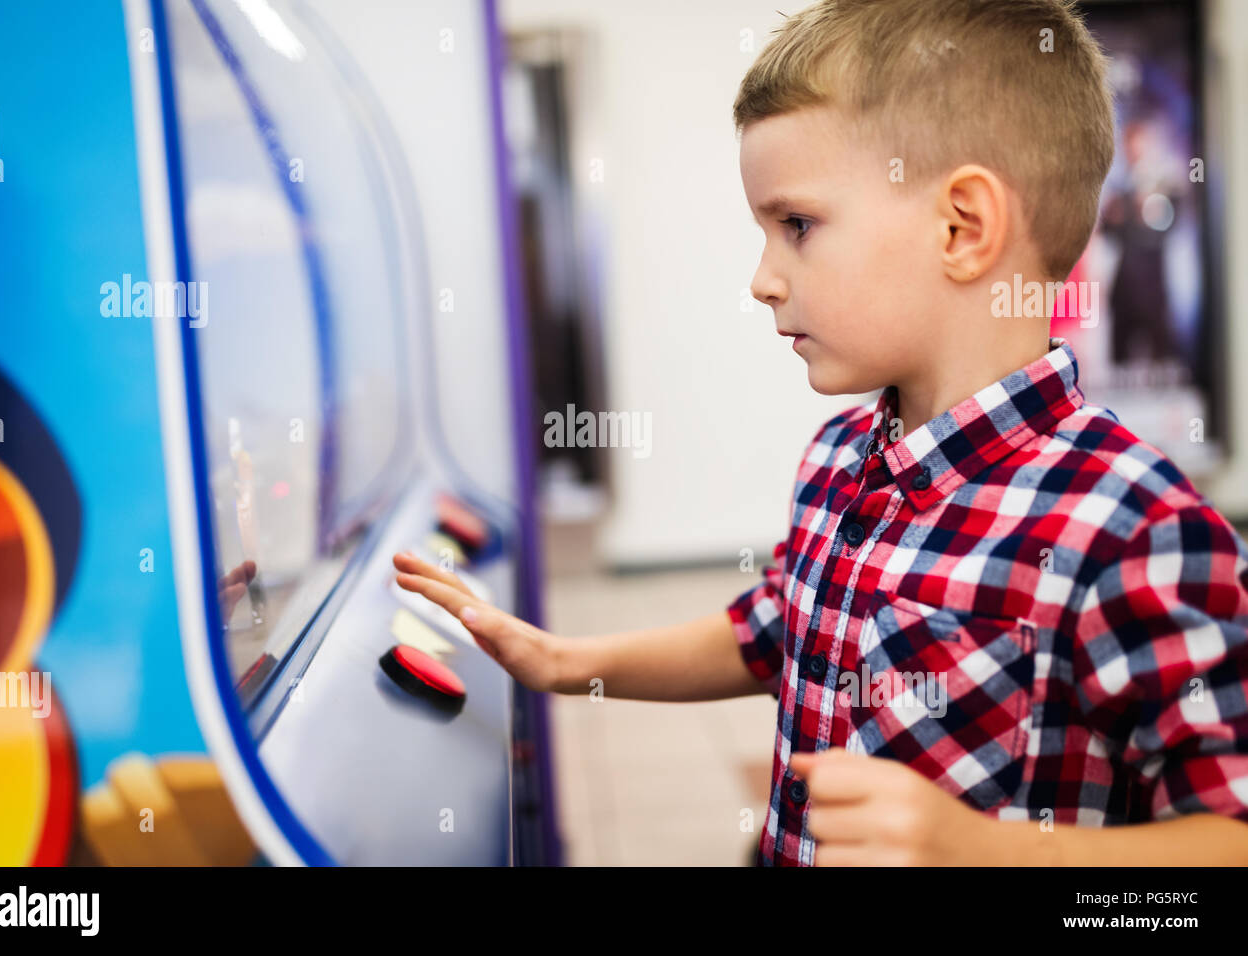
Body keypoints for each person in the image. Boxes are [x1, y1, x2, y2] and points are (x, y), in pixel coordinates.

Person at [394, 0, 1248, 866]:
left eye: (796, 226)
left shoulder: (1133, 526)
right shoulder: (839, 457)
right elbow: (773, 630)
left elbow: (1228, 833)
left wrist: (983, 852)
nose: (763, 279)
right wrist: (564, 661)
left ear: (963, 227)